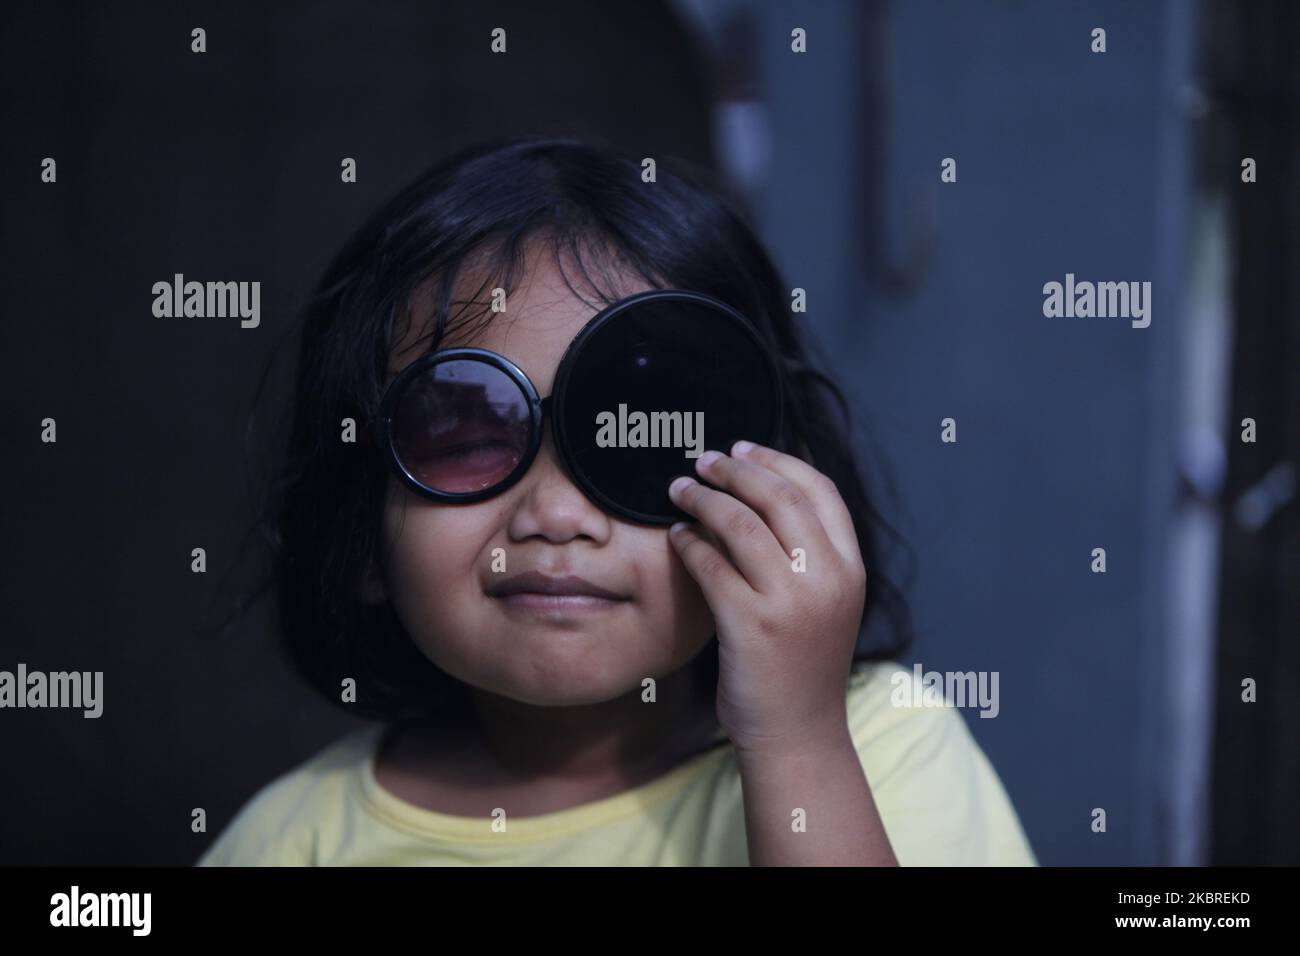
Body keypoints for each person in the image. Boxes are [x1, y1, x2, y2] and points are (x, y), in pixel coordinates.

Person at [197, 134, 1036, 866]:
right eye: (467, 436)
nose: (556, 516)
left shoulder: (875, 749)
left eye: (637, 438)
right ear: (360, 527)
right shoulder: (292, 845)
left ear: (770, 504)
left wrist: (796, 741)